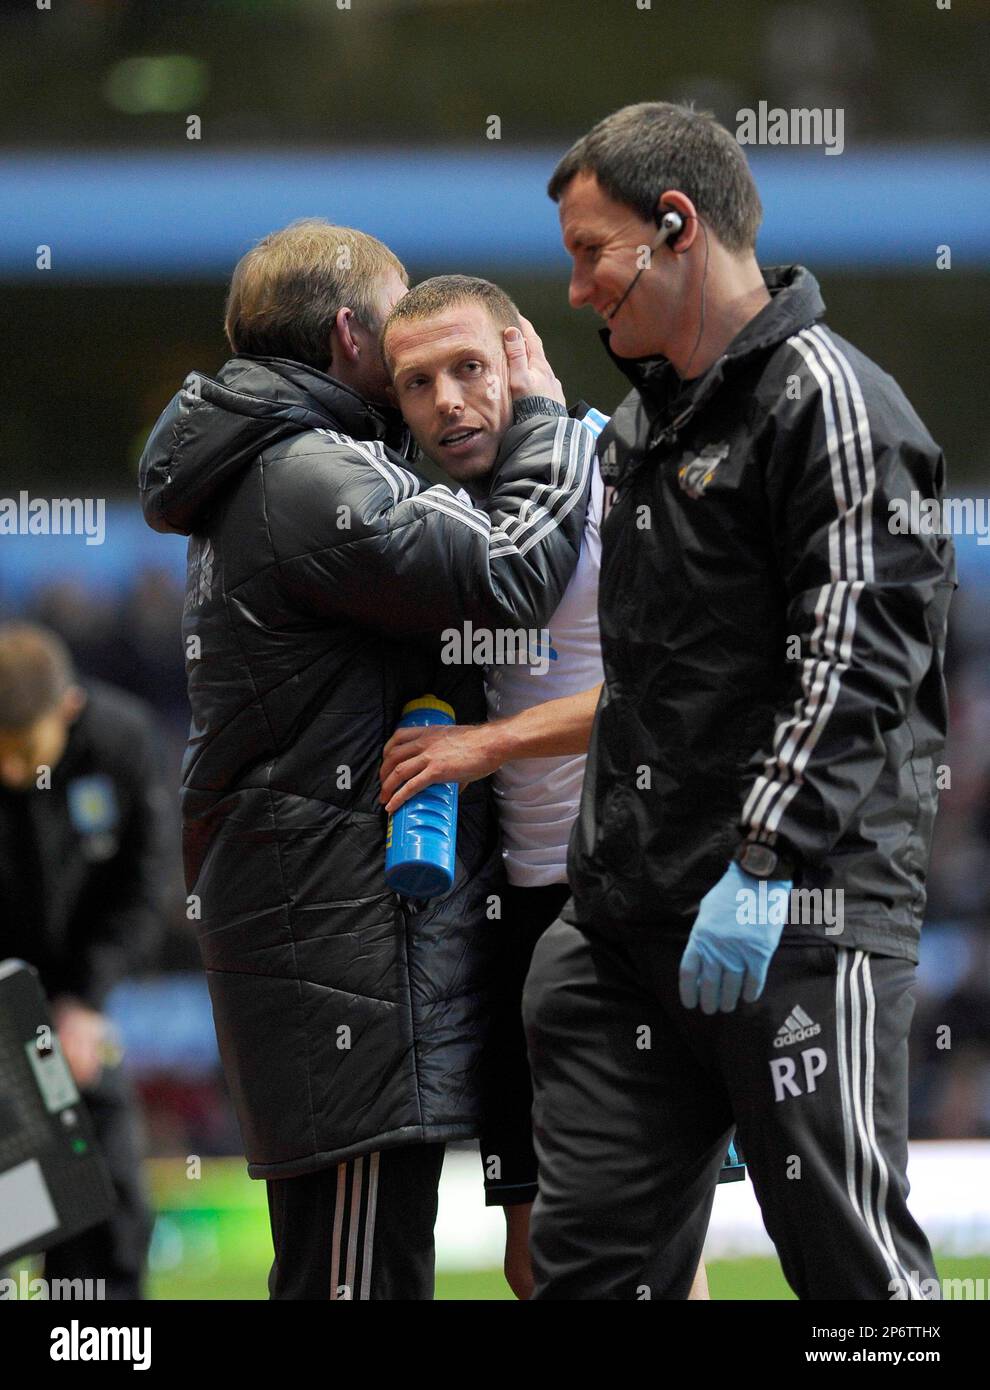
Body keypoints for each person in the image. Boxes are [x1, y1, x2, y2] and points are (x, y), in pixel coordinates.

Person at [511, 100, 954, 1299]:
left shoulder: (834, 402)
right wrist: (593, 916)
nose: (576, 289)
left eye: (588, 252)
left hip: (798, 919)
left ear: (674, 226)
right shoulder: (642, 421)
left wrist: (762, 866)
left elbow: (857, 658)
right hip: (630, 933)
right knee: (588, 1277)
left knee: (852, 1274)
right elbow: (647, 681)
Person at [137, 220, 594, 1300]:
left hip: (333, 937)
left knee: (363, 1269)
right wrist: (550, 422)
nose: (415, 375)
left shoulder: (278, 465)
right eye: (399, 338)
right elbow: (504, 571)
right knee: (354, 1284)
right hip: (340, 955)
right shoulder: (305, 475)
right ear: (352, 333)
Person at [378, 273, 726, 1300]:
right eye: (417, 382)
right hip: (511, 907)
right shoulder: (434, 507)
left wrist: (487, 744)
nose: (447, 399)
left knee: (652, 1251)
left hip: (632, 895)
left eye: (469, 367)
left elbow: (679, 684)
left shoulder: (621, 469)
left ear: (522, 352)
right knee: (535, 1252)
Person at [0, 622, 167, 1298]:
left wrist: (83, 1003)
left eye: (24, 752)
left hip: (73, 1010)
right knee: (16, 1206)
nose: (11, 772)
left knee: (103, 1202)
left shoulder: (123, 744)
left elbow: (143, 887)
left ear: (67, 709)